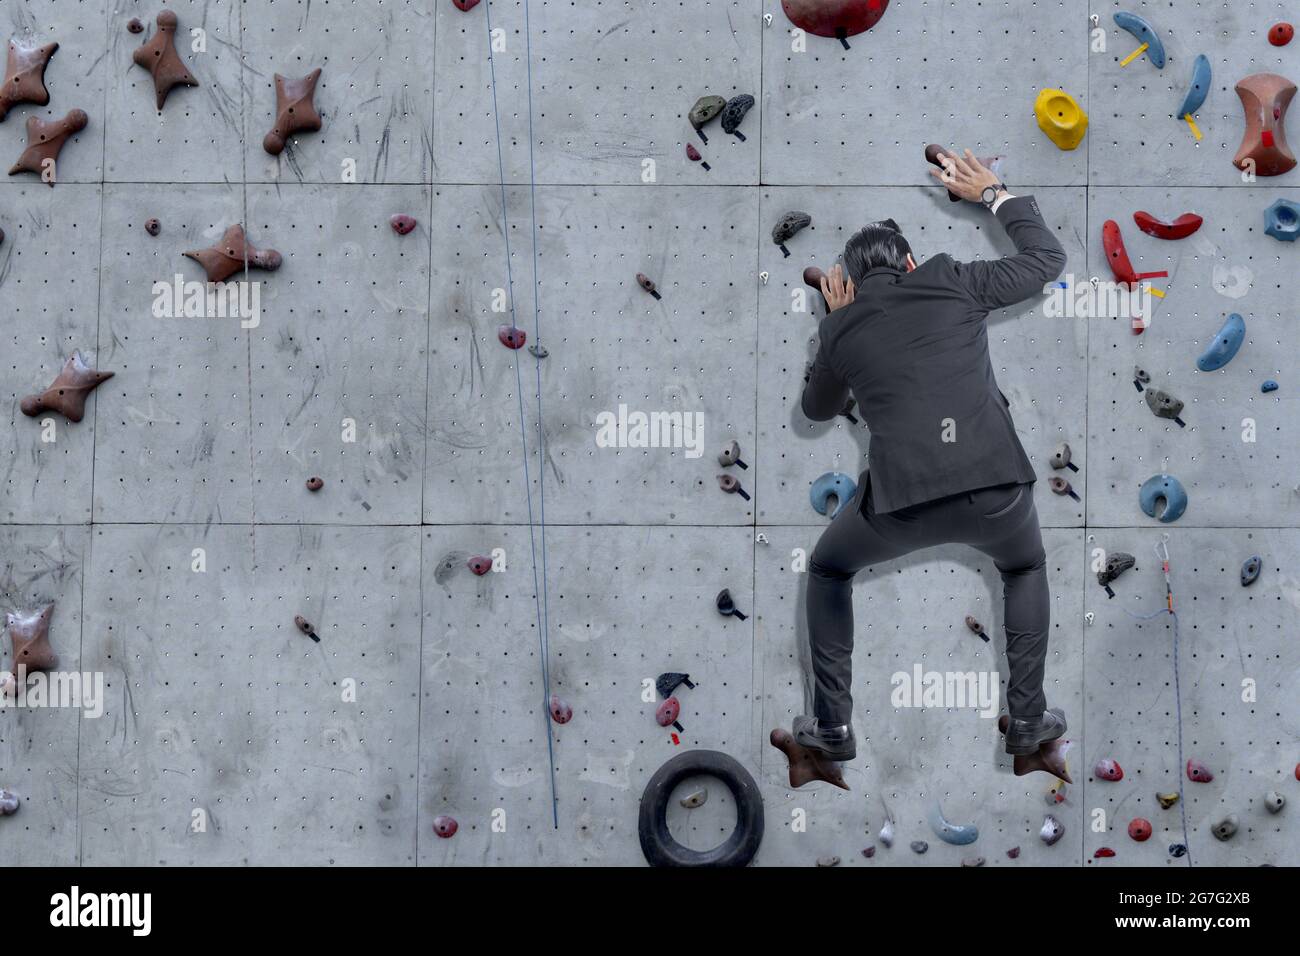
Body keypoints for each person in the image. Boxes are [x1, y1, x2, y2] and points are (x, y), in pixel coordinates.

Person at [792, 149, 1068, 762]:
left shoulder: (842, 326)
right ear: (912, 263)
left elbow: (817, 410)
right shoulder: (952, 278)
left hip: (902, 506)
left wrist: (834, 325)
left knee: (829, 570)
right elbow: (1047, 260)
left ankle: (832, 727)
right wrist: (993, 192)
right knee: (1022, 569)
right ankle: (1027, 722)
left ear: (850, 286)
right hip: (997, 488)